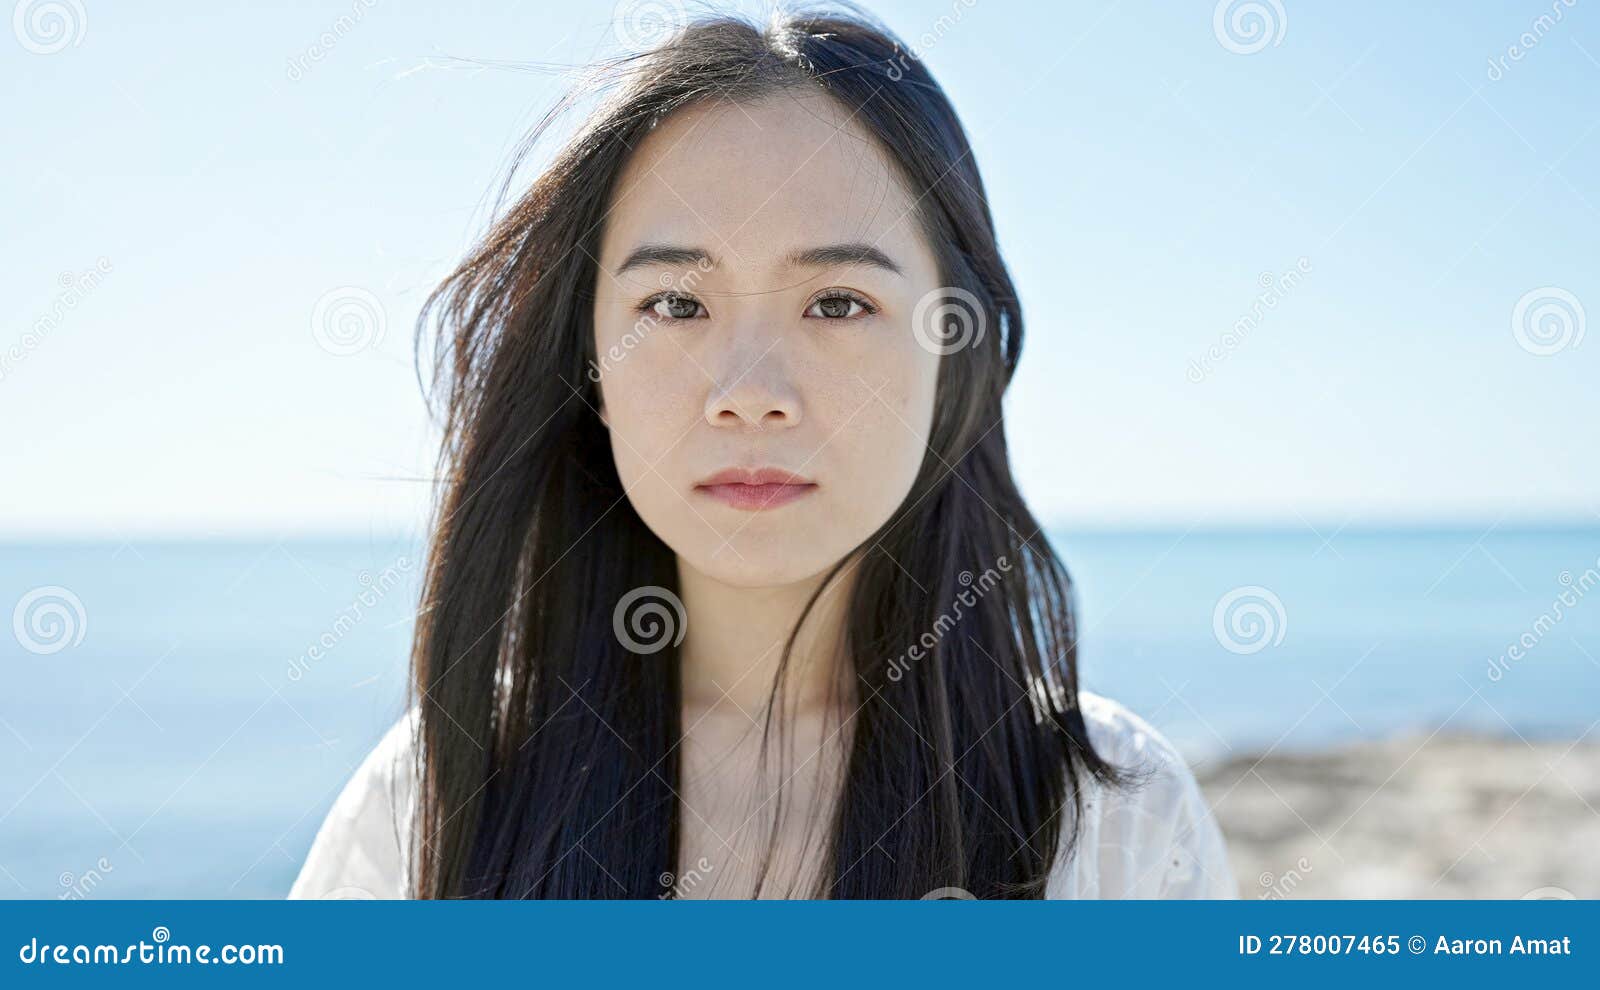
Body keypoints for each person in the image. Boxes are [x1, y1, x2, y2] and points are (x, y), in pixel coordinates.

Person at [290, 7, 1234, 900]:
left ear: (951, 352)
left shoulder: (1115, 819)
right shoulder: (435, 798)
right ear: (592, 368)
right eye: (675, 305)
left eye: (837, 304)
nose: (749, 391)